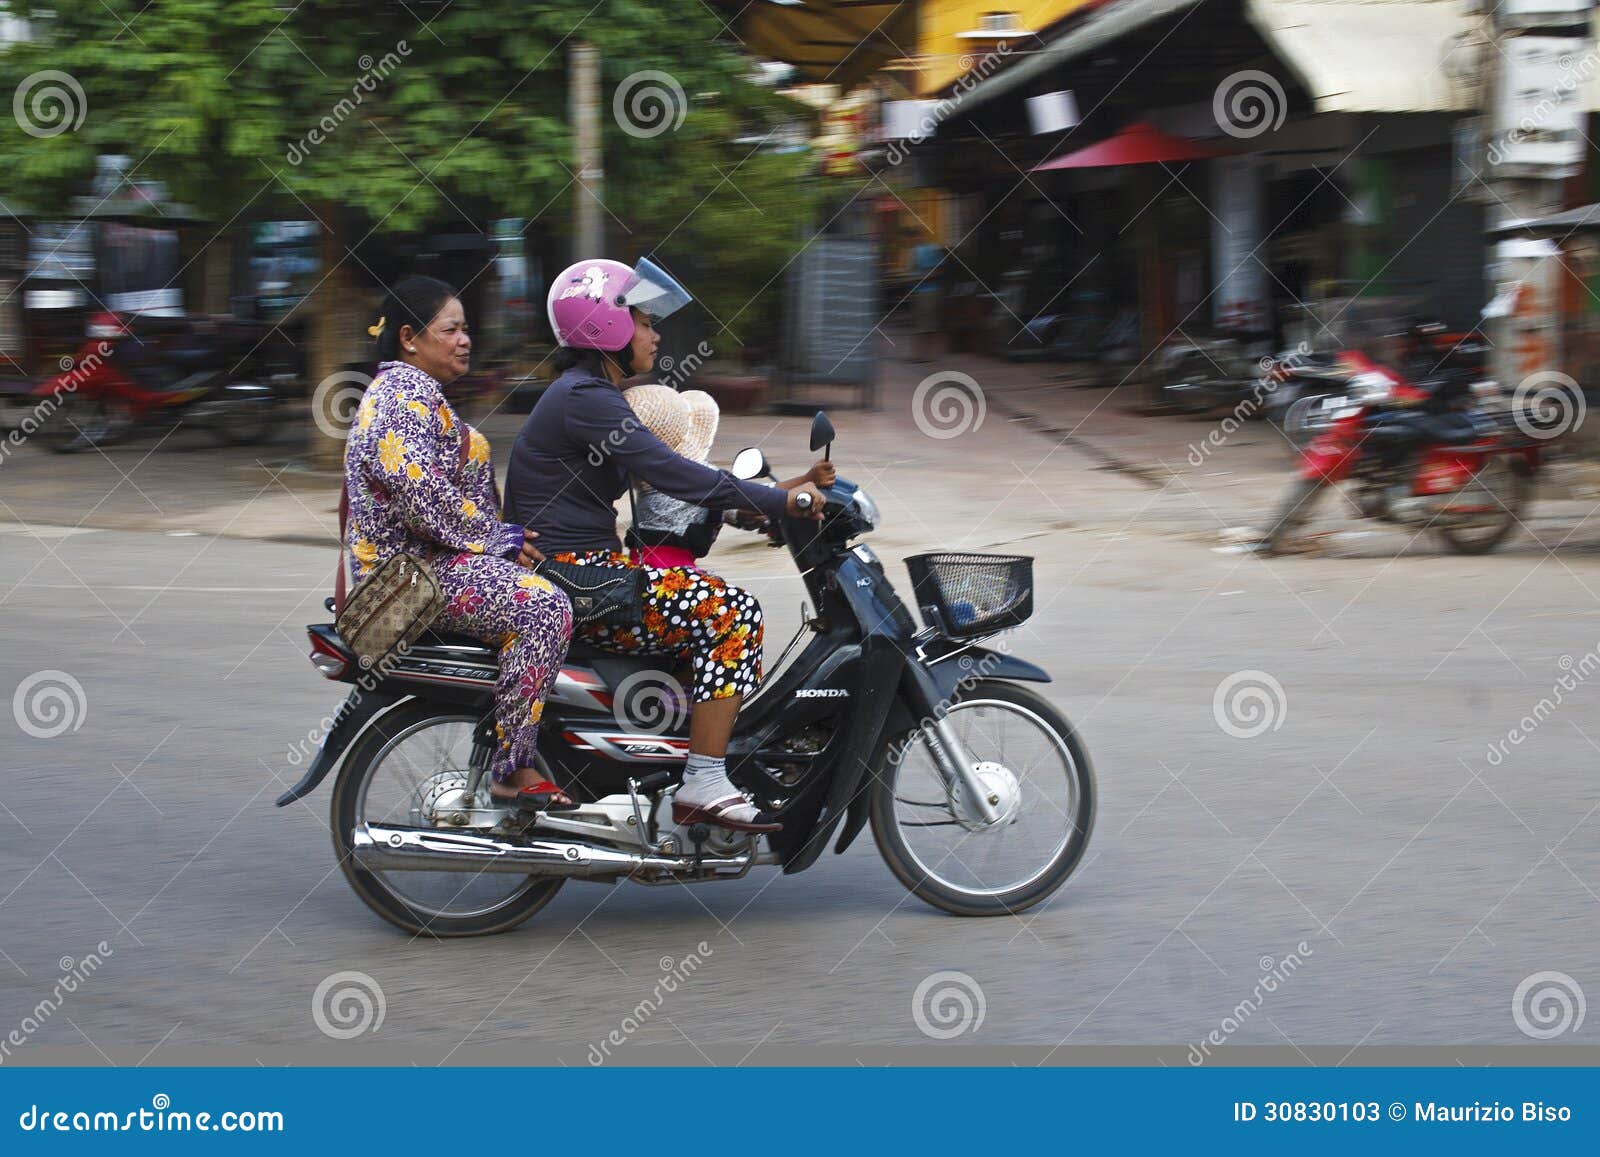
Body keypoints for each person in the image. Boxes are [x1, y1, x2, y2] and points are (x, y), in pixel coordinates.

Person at [505, 257, 831, 832]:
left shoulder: (587, 395)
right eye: (645, 321)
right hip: (574, 577)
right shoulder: (585, 397)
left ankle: (669, 762)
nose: (655, 334)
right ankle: (704, 781)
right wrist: (785, 503)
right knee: (732, 613)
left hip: (583, 570)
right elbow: (678, 474)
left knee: (699, 607)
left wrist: (778, 495)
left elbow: (684, 485)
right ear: (607, 324)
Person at [343, 276, 575, 810]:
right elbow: (421, 496)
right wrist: (496, 538)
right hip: (410, 578)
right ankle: (511, 769)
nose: (465, 339)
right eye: (450, 330)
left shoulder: (422, 397)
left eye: (466, 328)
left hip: (435, 565)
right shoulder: (400, 398)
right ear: (409, 337)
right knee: (544, 608)